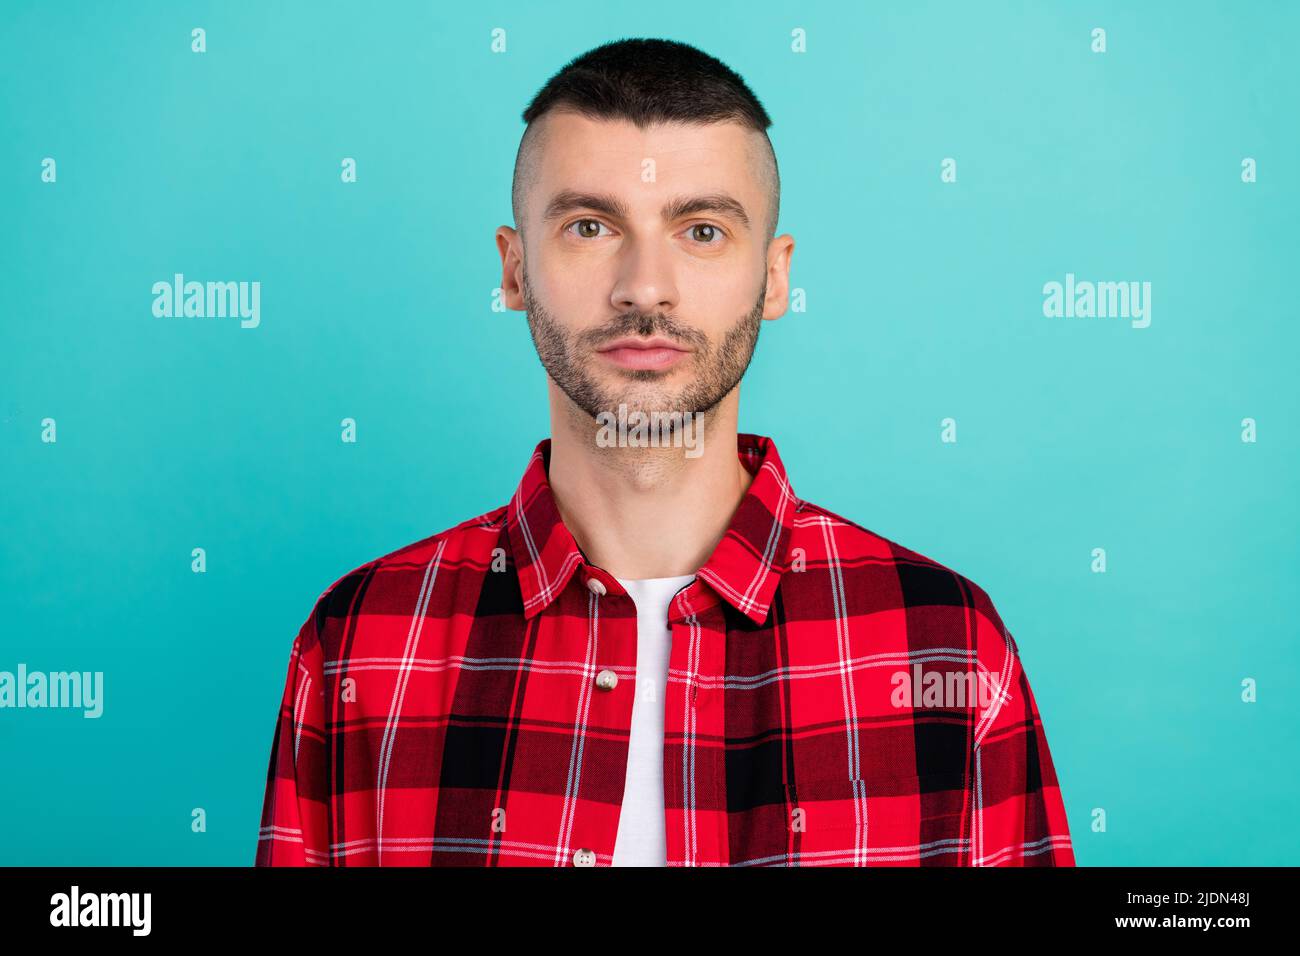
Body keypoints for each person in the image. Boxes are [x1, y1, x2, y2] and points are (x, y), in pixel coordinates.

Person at [255, 37, 1074, 867]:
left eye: (703, 230)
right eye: (589, 225)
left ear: (776, 277)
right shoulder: (360, 643)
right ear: (513, 271)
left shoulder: (946, 646)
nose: (646, 287)